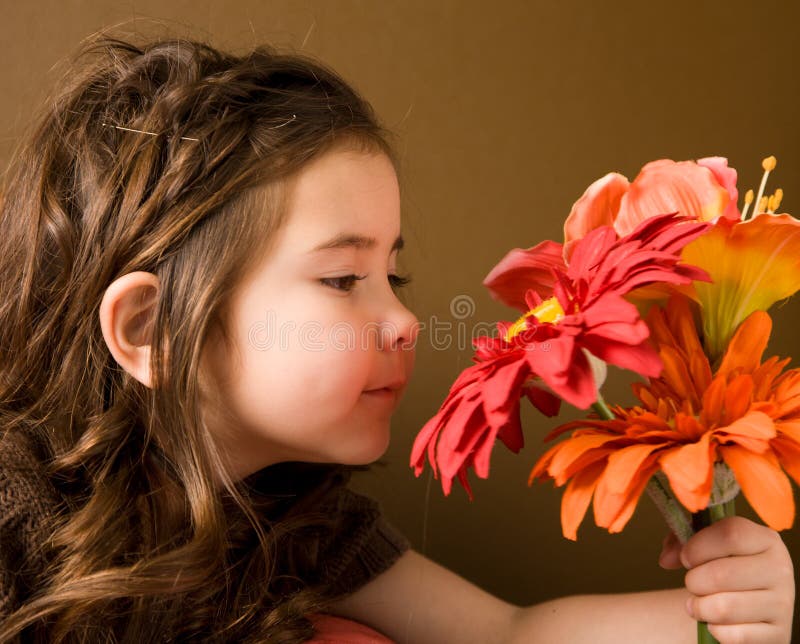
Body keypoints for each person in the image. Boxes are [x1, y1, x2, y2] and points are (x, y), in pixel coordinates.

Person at [0, 30, 793, 644]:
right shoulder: (15, 510)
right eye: (343, 280)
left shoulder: (299, 524)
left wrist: (736, 606)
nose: (409, 323)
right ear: (152, 332)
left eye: (395, 277)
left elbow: (505, 634)